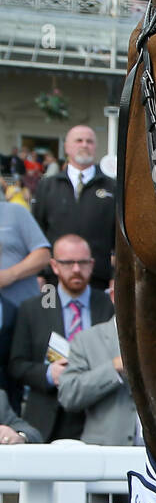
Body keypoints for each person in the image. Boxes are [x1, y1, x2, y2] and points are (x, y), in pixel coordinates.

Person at [8, 235, 114, 442]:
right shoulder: (32, 309)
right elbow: (16, 365)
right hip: (46, 417)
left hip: (98, 415)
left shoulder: (109, 306)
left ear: (92, 265)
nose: (76, 269)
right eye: (68, 263)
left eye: (82, 262)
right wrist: (49, 373)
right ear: (54, 266)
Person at [31, 125, 115, 291]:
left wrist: (115, 277)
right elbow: (37, 233)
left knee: (98, 319)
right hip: (53, 281)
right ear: (66, 147)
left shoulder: (113, 188)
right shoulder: (47, 186)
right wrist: (39, 274)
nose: (84, 145)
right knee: (50, 316)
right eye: (79, 140)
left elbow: (121, 240)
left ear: (95, 147)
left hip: (99, 281)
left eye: (89, 141)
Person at [57, 302, 138, 446]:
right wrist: (114, 368)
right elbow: (68, 394)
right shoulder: (86, 339)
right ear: (113, 295)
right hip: (106, 451)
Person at [0, 201, 52, 410]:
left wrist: (9, 275)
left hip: (22, 313)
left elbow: (43, 254)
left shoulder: (14, 212)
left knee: (22, 374)